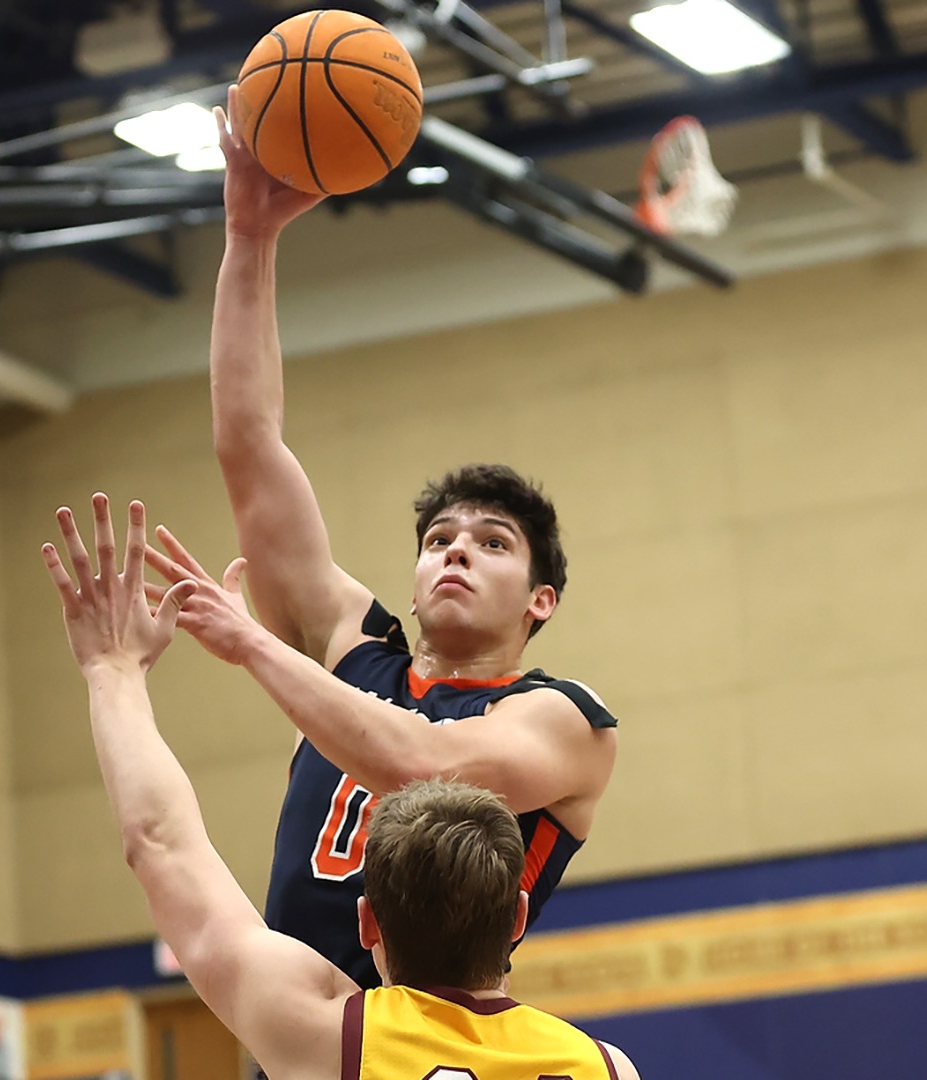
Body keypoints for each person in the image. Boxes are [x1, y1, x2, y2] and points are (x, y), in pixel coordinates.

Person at [138, 88, 619, 990]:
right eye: (439, 538)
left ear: (541, 599)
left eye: (493, 543)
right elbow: (248, 444)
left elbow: (418, 762)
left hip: (427, 1038)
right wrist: (249, 241)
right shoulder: (349, 649)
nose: (457, 551)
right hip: (299, 1030)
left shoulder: (565, 718)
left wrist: (250, 644)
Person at [40, 495, 639, 1080]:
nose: (459, 552)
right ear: (516, 916)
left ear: (367, 923)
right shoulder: (606, 1067)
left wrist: (112, 671)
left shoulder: (323, 1036)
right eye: (440, 540)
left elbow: (160, 843)